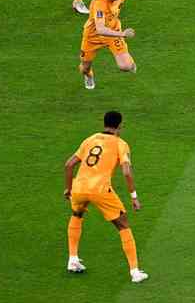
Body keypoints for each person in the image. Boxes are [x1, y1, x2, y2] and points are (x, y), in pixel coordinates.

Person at [63, 111, 148, 283]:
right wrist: (133, 196)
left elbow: (69, 164)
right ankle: (135, 272)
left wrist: (68, 188)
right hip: (100, 189)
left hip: (79, 187)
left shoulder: (91, 139)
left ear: (104, 123)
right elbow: (126, 171)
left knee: (77, 215)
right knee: (123, 224)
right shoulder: (120, 144)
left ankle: (72, 259)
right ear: (120, 126)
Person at [79, 0, 136, 90]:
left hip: (113, 31)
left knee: (126, 66)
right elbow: (100, 29)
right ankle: (89, 75)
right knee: (84, 68)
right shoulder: (99, 5)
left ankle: (130, 63)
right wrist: (122, 34)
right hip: (93, 36)